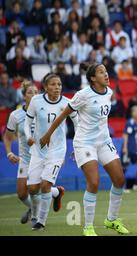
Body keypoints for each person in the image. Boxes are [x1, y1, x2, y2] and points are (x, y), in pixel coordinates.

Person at [40, 64, 129, 236]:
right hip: (85, 143)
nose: (106, 74)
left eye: (106, 71)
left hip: (104, 142)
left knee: (119, 180)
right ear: (93, 78)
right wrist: (48, 135)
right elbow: (64, 114)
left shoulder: (109, 92)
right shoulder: (83, 95)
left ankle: (111, 220)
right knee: (94, 182)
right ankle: (88, 226)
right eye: (102, 72)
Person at [24, 74, 76, 230]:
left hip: (57, 150)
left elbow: (78, 123)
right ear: (45, 87)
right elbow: (27, 123)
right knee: (33, 189)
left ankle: (41, 222)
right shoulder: (36, 101)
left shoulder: (67, 103)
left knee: (45, 184)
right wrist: (28, 137)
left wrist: (77, 145)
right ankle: (57, 193)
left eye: (59, 84)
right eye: (53, 84)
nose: (57, 87)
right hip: (38, 150)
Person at [2, 81, 46, 224]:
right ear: (24, 96)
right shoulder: (15, 115)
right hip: (25, 159)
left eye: (36, 92)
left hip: (41, 157)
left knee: (35, 190)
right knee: (21, 193)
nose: (33, 95)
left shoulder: (44, 113)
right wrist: (9, 153)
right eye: (30, 93)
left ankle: (36, 218)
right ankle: (34, 209)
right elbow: (7, 137)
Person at [121, 105, 137, 193]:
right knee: (124, 168)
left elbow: (133, 137)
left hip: (134, 150)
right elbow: (125, 135)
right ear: (133, 113)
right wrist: (124, 148)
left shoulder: (135, 124)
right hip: (128, 149)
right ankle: (122, 187)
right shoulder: (130, 122)